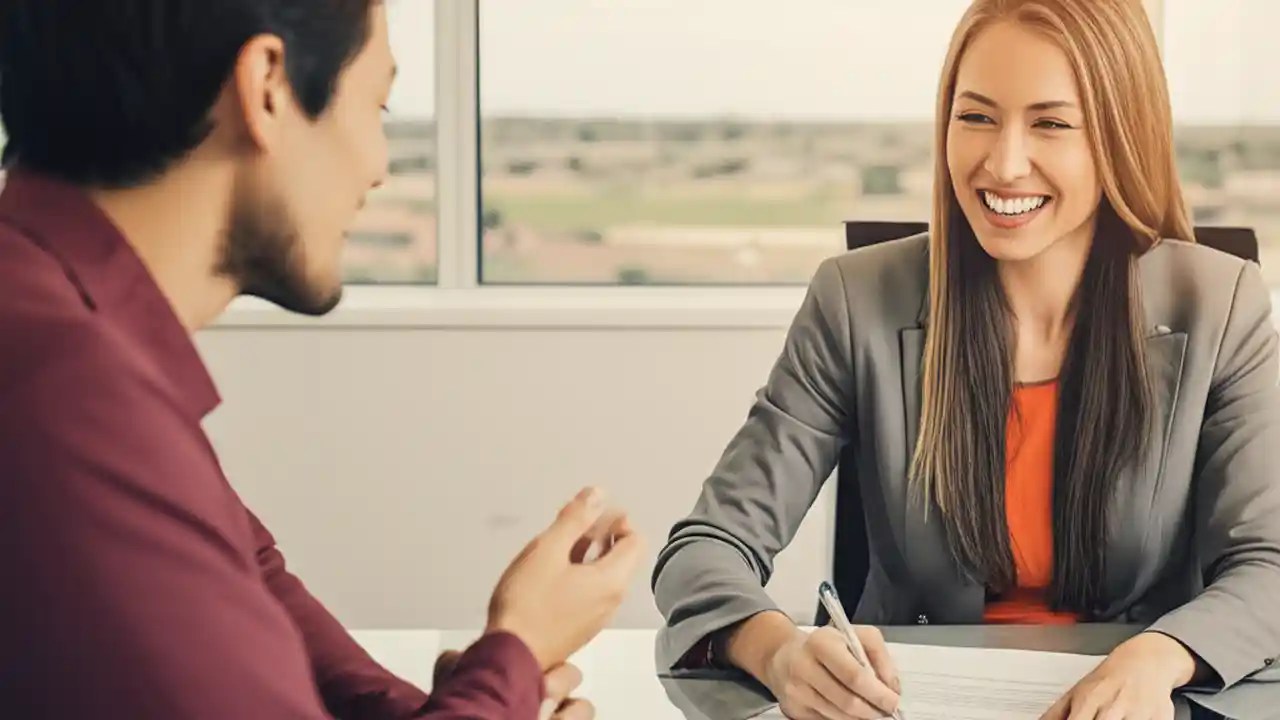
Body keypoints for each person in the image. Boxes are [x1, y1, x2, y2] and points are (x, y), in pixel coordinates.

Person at [0, 1, 643, 718]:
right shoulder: (65, 398)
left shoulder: (62, 338)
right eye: (378, 105)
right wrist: (519, 646)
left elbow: (260, 598)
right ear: (268, 86)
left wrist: (490, 695)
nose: (379, 167)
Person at [651, 0, 1280, 718]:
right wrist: (778, 650)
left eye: (1051, 123)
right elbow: (706, 548)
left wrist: (1157, 657)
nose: (1003, 164)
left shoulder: (1221, 303)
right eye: (976, 116)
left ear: (1119, 135)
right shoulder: (854, 300)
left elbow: (1270, 567)